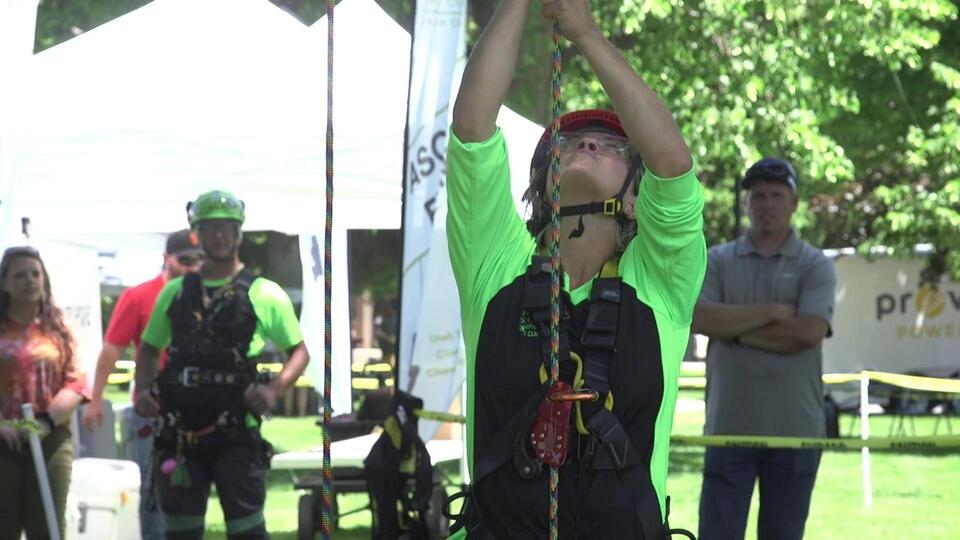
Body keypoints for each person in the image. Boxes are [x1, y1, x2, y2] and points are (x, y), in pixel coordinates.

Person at [445, 0, 706, 537]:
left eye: (614, 147)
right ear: (543, 183)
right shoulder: (495, 263)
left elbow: (673, 164)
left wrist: (585, 33)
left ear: (637, 197)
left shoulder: (660, 281)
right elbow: (473, 126)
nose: (588, 143)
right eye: (567, 141)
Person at [134, 190, 309, 540]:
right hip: (179, 433)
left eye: (228, 228)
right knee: (181, 532)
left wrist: (274, 389)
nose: (220, 236)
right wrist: (142, 390)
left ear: (239, 234)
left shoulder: (264, 293)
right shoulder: (175, 292)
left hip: (236, 432)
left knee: (247, 531)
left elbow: (299, 352)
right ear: (197, 234)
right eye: (211, 228)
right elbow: (150, 349)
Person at [692, 157, 837, 540]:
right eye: (758, 196)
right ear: (746, 203)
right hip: (728, 430)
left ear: (794, 203)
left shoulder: (815, 265)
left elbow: (807, 333)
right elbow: (699, 319)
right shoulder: (717, 260)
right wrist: (772, 314)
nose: (766, 204)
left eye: (776, 195)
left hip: (795, 433)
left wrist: (734, 330)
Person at [82, 229, 202, 540]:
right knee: (150, 487)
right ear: (166, 259)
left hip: (200, 411)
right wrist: (96, 399)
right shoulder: (138, 296)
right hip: (152, 410)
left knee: (195, 483)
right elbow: (112, 348)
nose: (193, 267)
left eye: (199, 260)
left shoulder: (212, 296)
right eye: (185, 260)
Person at [0, 246, 88, 540]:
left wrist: (46, 422)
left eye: (35, 274)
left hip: (50, 438)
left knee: (47, 527)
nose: (29, 281)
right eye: (20, 275)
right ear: (4, 283)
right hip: (4, 438)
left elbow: (75, 383)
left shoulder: (59, 330)